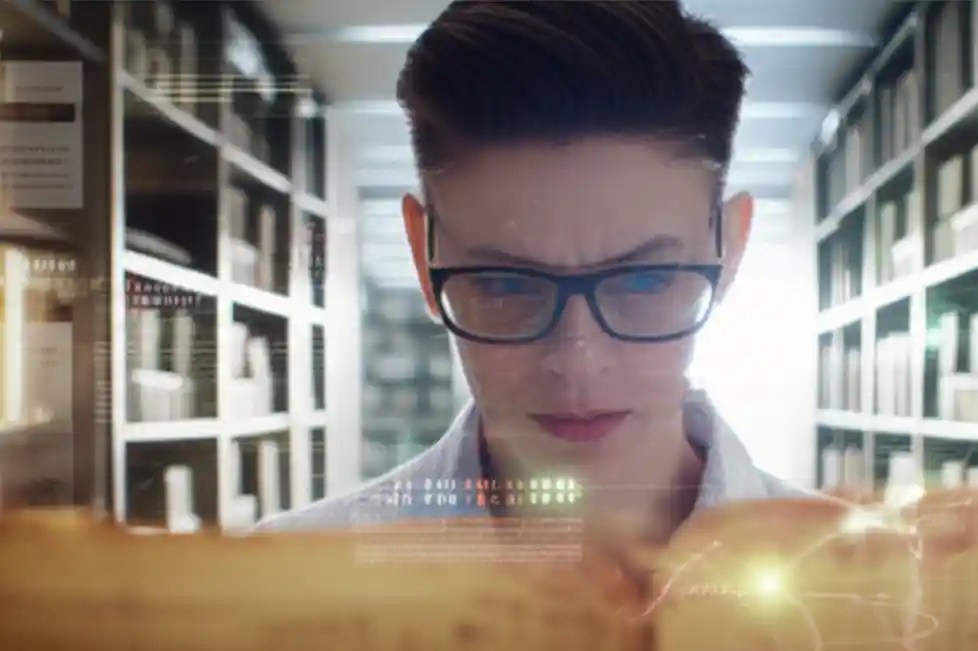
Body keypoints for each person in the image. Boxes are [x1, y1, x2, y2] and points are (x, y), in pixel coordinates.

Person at [258, 0, 816, 544]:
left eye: (645, 280)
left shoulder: (888, 604)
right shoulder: (275, 583)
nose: (577, 362)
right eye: (505, 284)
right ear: (422, 257)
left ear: (732, 250)